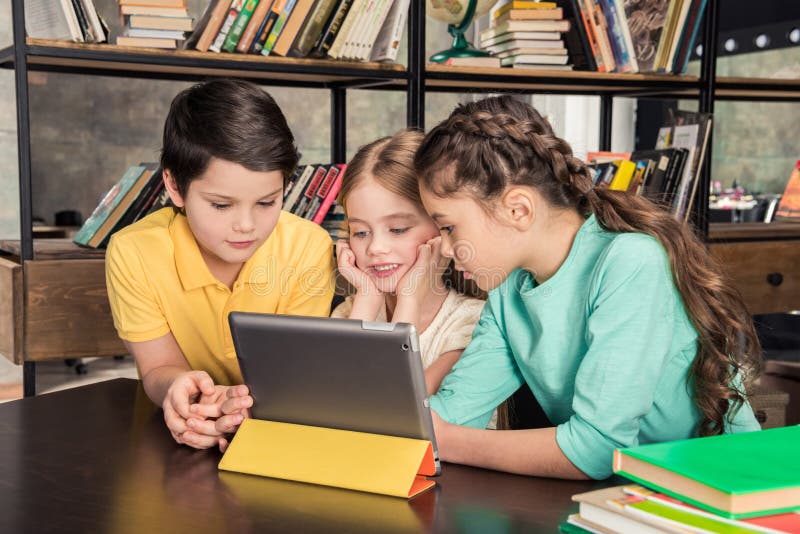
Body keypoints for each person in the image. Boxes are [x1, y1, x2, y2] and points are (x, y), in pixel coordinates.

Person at [414, 95, 761, 480]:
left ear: (519, 209)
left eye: (448, 227)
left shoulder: (631, 262)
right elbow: (453, 411)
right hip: (628, 498)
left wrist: (448, 441)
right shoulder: (509, 288)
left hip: (723, 491)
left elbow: (597, 448)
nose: (445, 247)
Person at [106, 79, 334, 451]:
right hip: (185, 439)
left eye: (266, 202)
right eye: (221, 205)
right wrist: (179, 390)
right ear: (175, 187)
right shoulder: (133, 252)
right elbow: (159, 369)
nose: (246, 225)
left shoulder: (309, 247)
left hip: (280, 435)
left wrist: (234, 410)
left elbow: (293, 379)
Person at [331, 129, 485, 396]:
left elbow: (393, 407)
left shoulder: (473, 323)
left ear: (442, 229)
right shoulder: (352, 313)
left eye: (398, 229)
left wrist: (410, 299)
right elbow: (336, 399)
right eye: (360, 232)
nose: (376, 248)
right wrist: (366, 298)